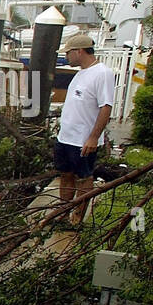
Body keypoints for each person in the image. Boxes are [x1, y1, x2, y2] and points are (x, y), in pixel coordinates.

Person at [54, 33, 115, 226]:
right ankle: (63, 212)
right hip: (65, 138)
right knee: (65, 174)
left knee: (84, 177)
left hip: (82, 140)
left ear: (79, 51)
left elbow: (106, 106)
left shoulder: (102, 73)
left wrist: (93, 137)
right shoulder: (80, 73)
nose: (66, 57)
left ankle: (77, 218)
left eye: (68, 53)